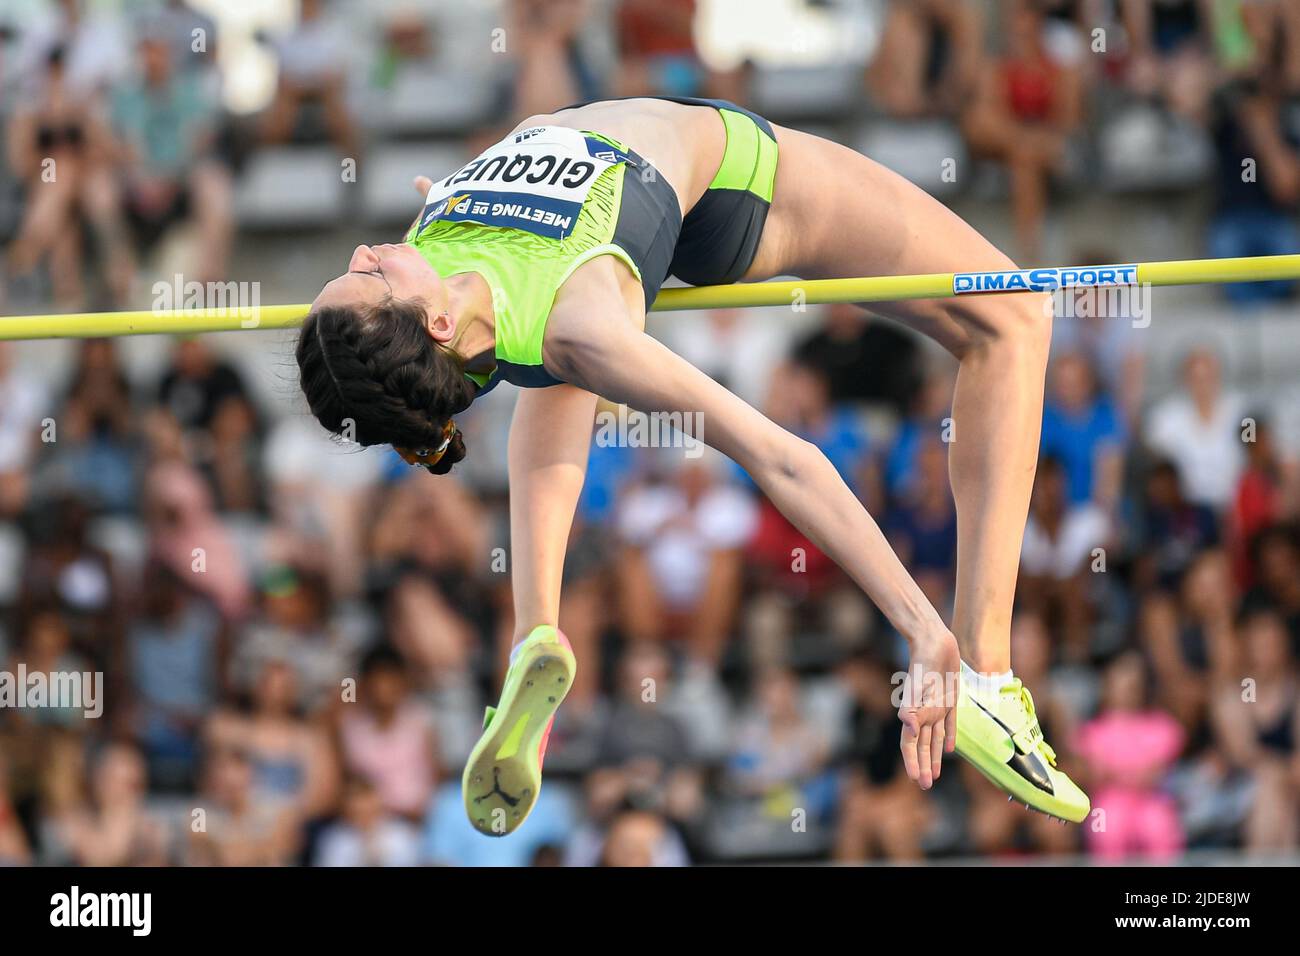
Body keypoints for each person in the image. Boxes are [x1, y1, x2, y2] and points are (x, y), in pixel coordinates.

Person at [293, 95, 1089, 835]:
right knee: (1012, 316)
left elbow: (430, 356)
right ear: (430, 319)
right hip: (735, 192)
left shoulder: (441, 270)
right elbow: (783, 459)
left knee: (547, 357)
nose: (366, 249)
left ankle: (535, 631)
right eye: (367, 275)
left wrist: (430, 248)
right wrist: (922, 629)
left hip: (600, 247)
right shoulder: (562, 319)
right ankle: (987, 671)